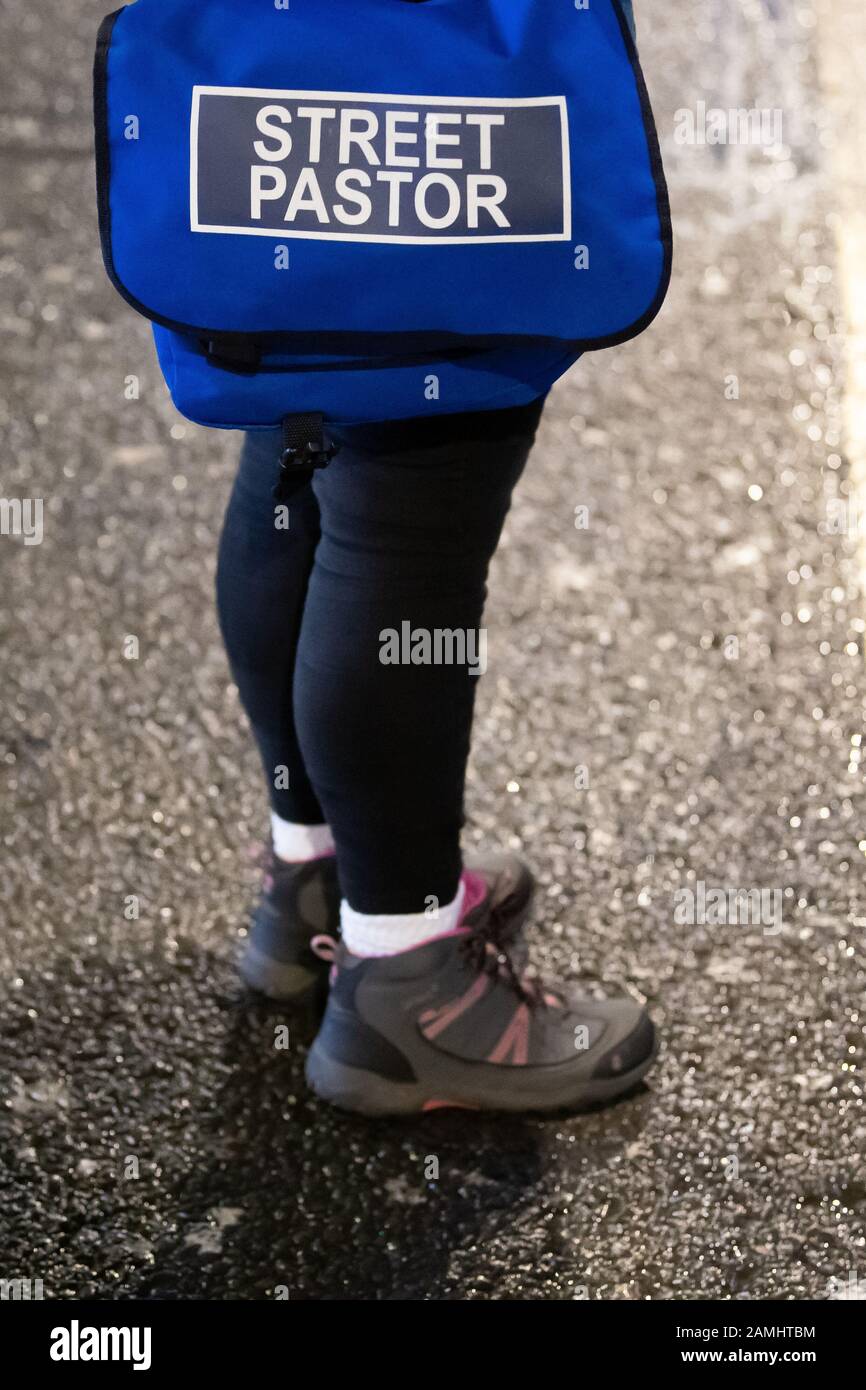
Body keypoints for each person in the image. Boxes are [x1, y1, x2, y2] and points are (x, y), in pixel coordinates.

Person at [216, 0, 654, 1115]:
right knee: (408, 495)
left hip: (272, 120)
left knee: (300, 429)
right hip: (444, 114)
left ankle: (315, 877)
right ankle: (403, 972)